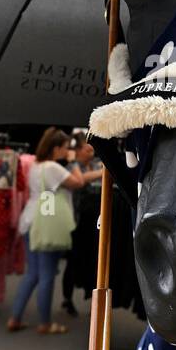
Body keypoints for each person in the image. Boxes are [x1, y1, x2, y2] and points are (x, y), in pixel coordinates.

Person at [8, 127, 101, 334]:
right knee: (47, 273)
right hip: (46, 221)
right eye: (66, 148)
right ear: (56, 147)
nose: (67, 151)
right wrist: (73, 162)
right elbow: (78, 182)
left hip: (31, 218)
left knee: (32, 273)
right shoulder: (53, 167)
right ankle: (45, 322)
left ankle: (15, 317)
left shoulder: (36, 165)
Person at [61, 132, 102, 317]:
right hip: (76, 220)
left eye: (93, 150)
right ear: (78, 150)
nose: (91, 153)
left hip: (93, 222)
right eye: (87, 149)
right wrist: (104, 172)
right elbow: (81, 180)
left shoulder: (94, 164)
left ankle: (94, 300)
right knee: (72, 262)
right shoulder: (71, 166)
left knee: (93, 260)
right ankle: (67, 299)